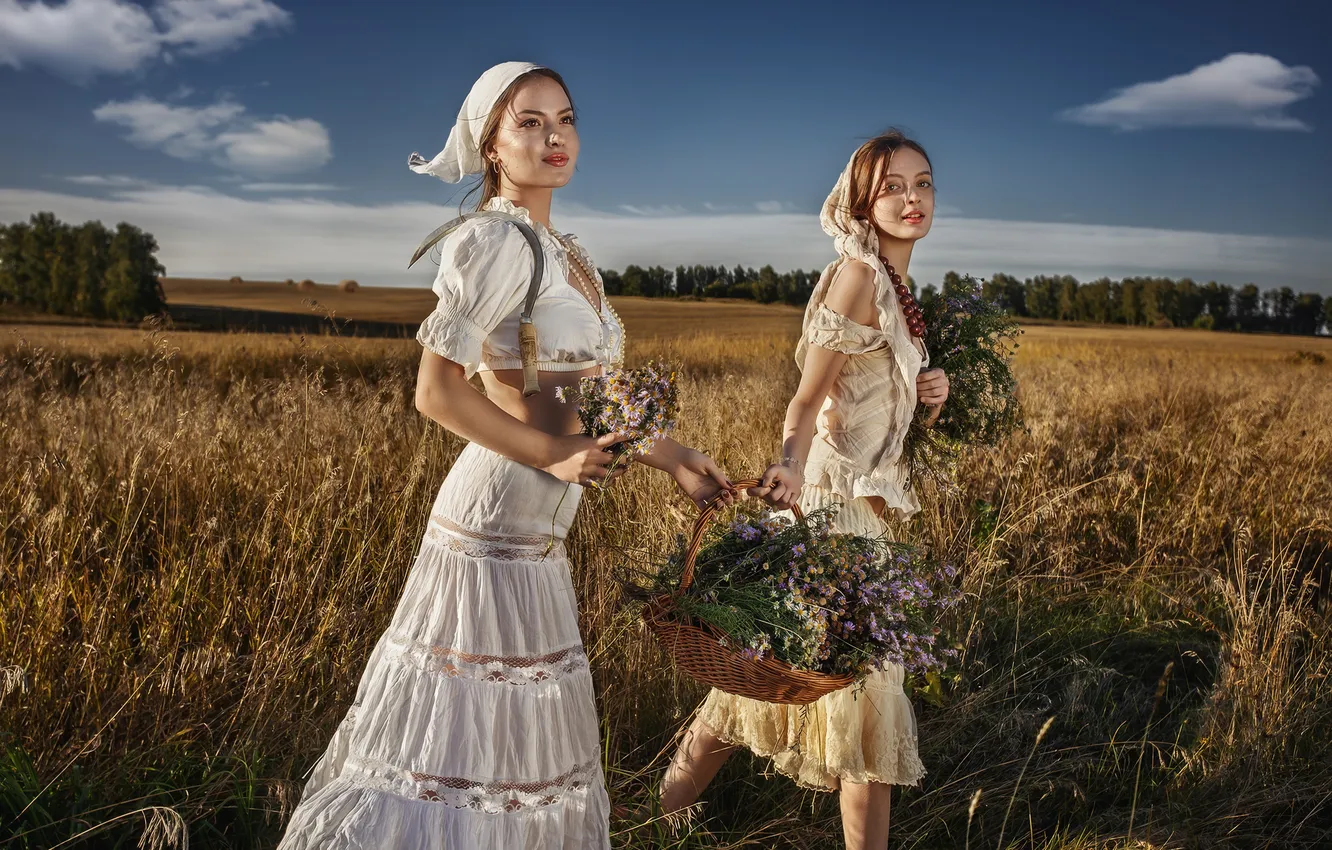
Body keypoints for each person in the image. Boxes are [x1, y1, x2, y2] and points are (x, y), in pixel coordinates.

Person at [278, 61, 731, 850]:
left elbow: (585, 394)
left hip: (535, 537)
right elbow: (439, 393)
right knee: (453, 751)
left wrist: (676, 456)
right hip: (490, 528)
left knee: (511, 759)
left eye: (565, 119)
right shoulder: (493, 240)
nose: (554, 137)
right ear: (491, 143)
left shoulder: (562, 249)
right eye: (529, 122)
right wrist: (554, 458)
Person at [658, 130, 951, 850]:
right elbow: (806, 399)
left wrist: (930, 396)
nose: (911, 199)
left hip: (865, 519)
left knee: (752, 689)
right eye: (892, 187)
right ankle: (655, 820)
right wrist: (788, 464)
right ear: (862, 200)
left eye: (923, 183)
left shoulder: (898, 287)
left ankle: (655, 816)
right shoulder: (856, 275)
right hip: (830, 514)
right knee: (858, 697)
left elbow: (877, 413)